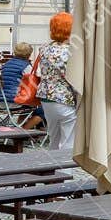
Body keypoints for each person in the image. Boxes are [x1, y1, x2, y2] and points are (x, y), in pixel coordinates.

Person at [35, 12, 78, 155]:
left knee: (54, 138)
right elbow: (73, 77)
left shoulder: (45, 48)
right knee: (68, 141)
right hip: (63, 98)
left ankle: (52, 173)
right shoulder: (68, 52)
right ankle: (65, 175)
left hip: (46, 97)